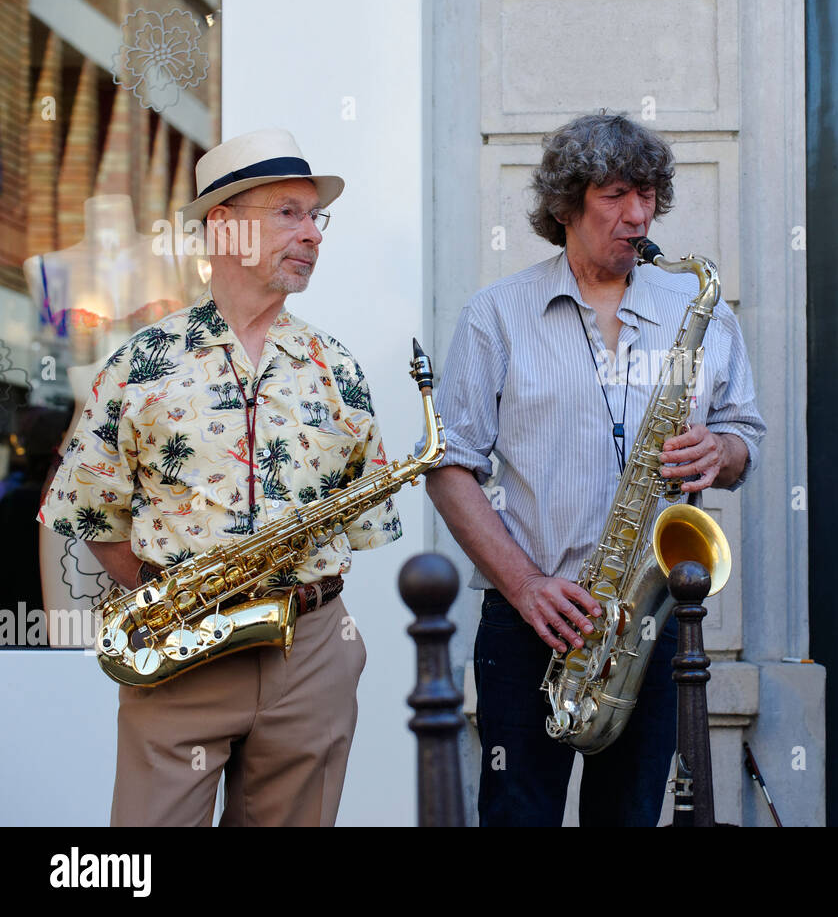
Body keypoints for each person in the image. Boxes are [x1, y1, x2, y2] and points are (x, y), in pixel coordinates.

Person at [38, 128, 400, 826]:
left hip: (311, 648)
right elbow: (90, 512)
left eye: (314, 215)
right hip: (183, 649)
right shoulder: (140, 363)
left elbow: (363, 520)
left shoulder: (338, 368)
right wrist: (170, 599)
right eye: (287, 213)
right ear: (225, 228)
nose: (312, 234)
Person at [426, 111, 765, 826]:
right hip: (531, 622)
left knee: (633, 815)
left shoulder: (698, 309)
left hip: (651, 622)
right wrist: (526, 587)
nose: (638, 215)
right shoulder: (496, 315)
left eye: (647, 195)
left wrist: (722, 451)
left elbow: (743, 437)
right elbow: (450, 468)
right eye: (615, 195)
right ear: (565, 204)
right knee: (517, 815)